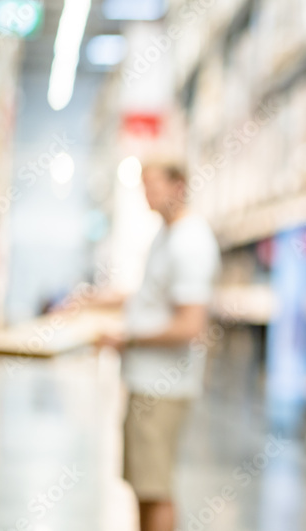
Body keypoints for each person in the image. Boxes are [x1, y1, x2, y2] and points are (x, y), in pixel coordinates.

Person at [96, 158, 220, 531]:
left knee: (156, 487)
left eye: (152, 185)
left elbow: (190, 325)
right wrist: (99, 300)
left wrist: (128, 337)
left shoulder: (190, 241)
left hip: (163, 386)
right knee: (144, 486)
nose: (145, 195)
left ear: (178, 185)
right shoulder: (166, 235)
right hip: (146, 382)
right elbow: (152, 299)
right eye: (142, 185)